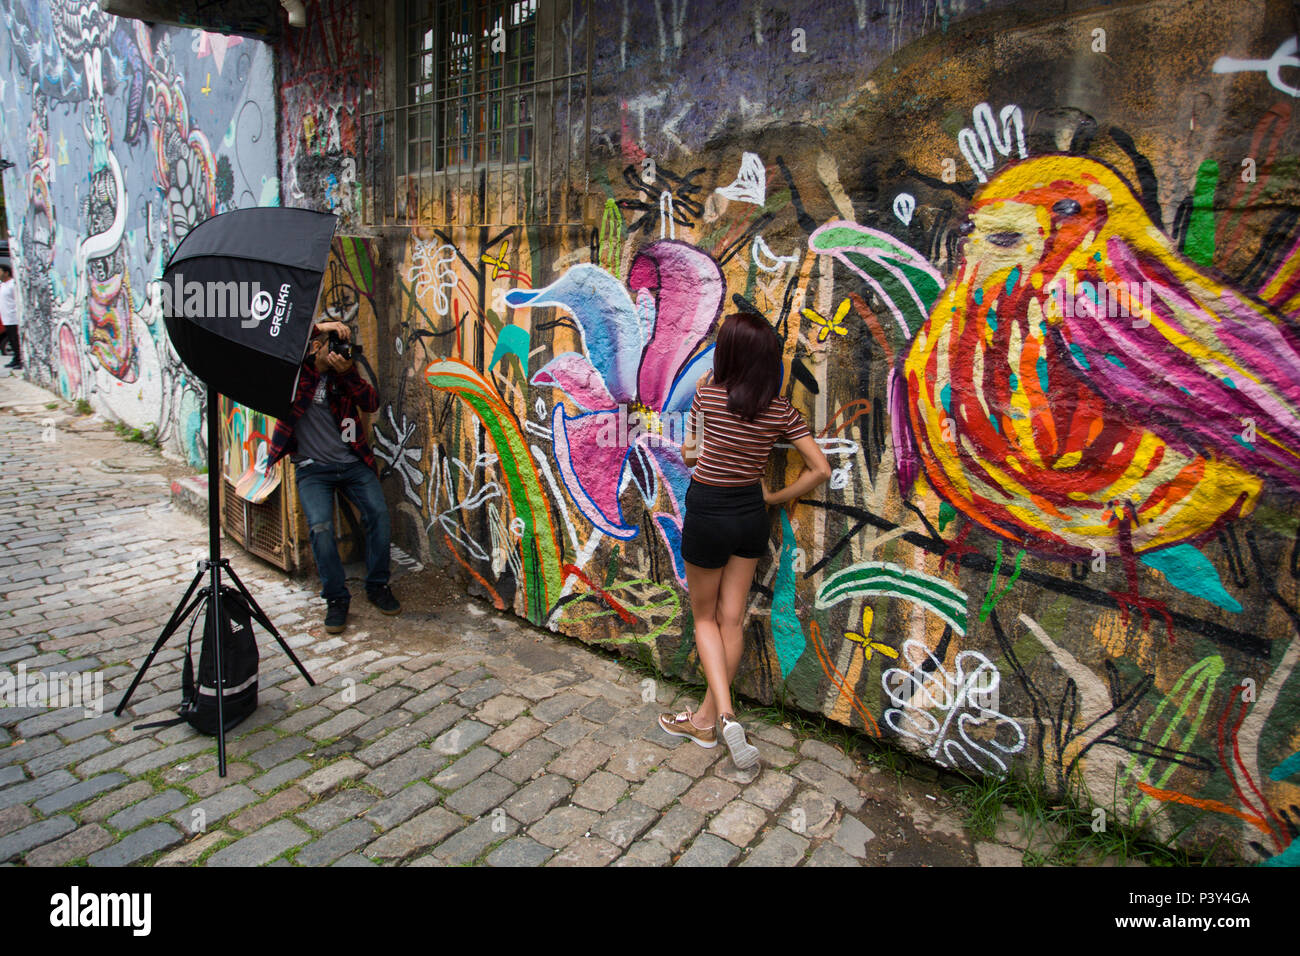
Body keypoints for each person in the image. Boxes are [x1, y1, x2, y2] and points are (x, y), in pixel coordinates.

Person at [658, 311, 831, 769]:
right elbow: (821, 469)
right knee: (731, 620)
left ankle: (725, 714)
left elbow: (690, 456)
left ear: (730, 353)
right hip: (752, 516)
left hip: (710, 511)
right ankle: (705, 721)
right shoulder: (780, 410)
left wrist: (697, 449)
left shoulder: (708, 397)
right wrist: (773, 495)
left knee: (703, 618)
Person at [267, 319, 400, 633]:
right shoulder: (298, 375)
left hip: (352, 462)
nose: (339, 353)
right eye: (333, 347)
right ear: (316, 346)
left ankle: (377, 586)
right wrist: (319, 327)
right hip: (312, 469)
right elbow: (283, 337)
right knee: (321, 528)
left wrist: (348, 372)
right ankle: (337, 598)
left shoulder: (344, 377)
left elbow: (370, 403)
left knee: (379, 515)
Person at [0, 262, 20, 369]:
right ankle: (15, 359)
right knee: (12, 341)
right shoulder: (2, 285)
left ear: (6, 273)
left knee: (16, 340)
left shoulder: (13, 284)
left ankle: (20, 360)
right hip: (6, 318)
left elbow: (17, 300)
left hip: (13, 318)